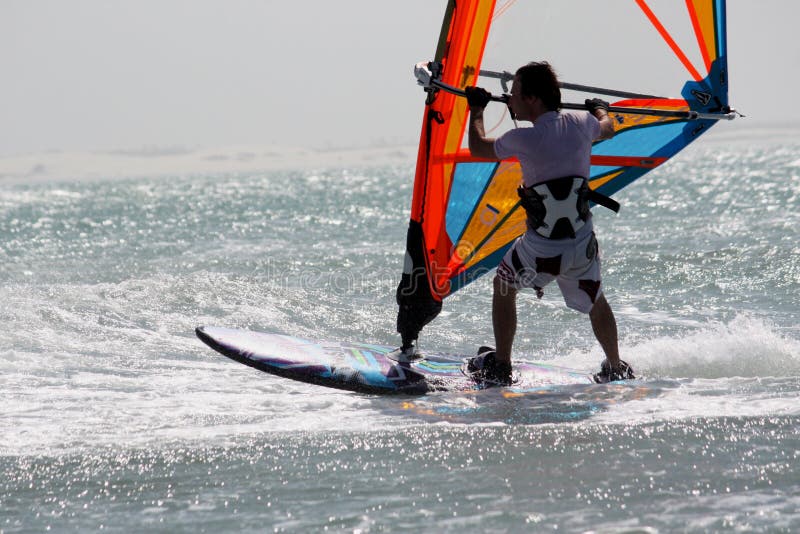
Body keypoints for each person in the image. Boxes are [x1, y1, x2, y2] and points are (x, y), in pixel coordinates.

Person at [463, 61, 634, 385]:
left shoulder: (523, 139)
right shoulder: (583, 123)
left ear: (532, 99)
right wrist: (599, 110)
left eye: (513, 94)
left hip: (540, 251)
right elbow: (608, 127)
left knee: (503, 284)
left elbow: (477, 147)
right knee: (596, 299)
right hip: (581, 246)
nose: (509, 100)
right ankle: (615, 366)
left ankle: (501, 365)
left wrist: (477, 109)